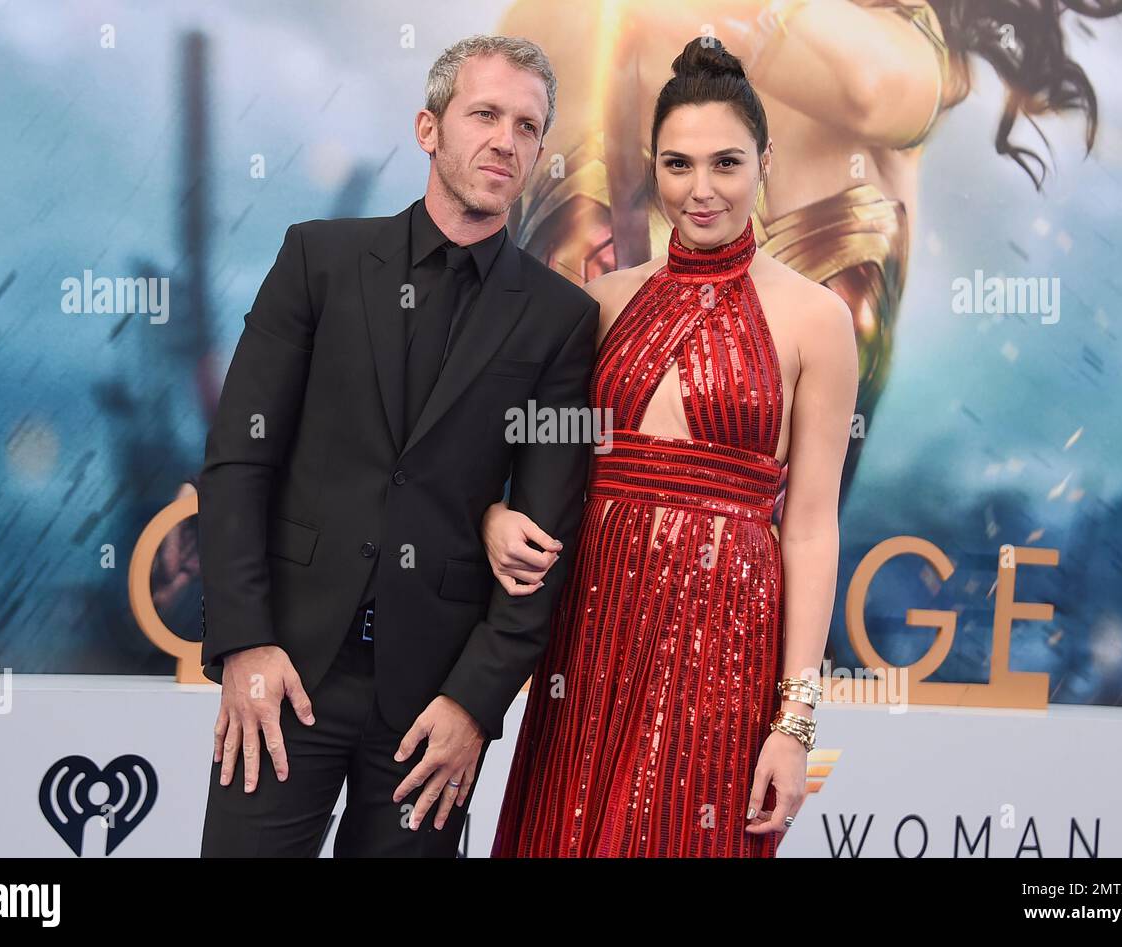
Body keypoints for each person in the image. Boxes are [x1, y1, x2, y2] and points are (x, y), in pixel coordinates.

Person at [197, 34, 598, 857]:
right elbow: (240, 459)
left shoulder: (560, 319)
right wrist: (243, 641)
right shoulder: (320, 260)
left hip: (434, 708)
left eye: (527, 126)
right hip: (286, 671)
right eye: (484, 113)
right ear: (429, 128)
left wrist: (476, 704)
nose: (504, 140)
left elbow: (545, 545)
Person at [485, 38, 858, 856]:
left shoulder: (816, 320)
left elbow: (811, 528)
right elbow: (532, 456)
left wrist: (795, 722)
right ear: (652, 167)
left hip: (728, 646)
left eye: (726, 162)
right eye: (678, 164)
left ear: (767, 161)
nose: (701, 189)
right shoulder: (601, 302)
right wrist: (492, 515)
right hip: (592, 632)